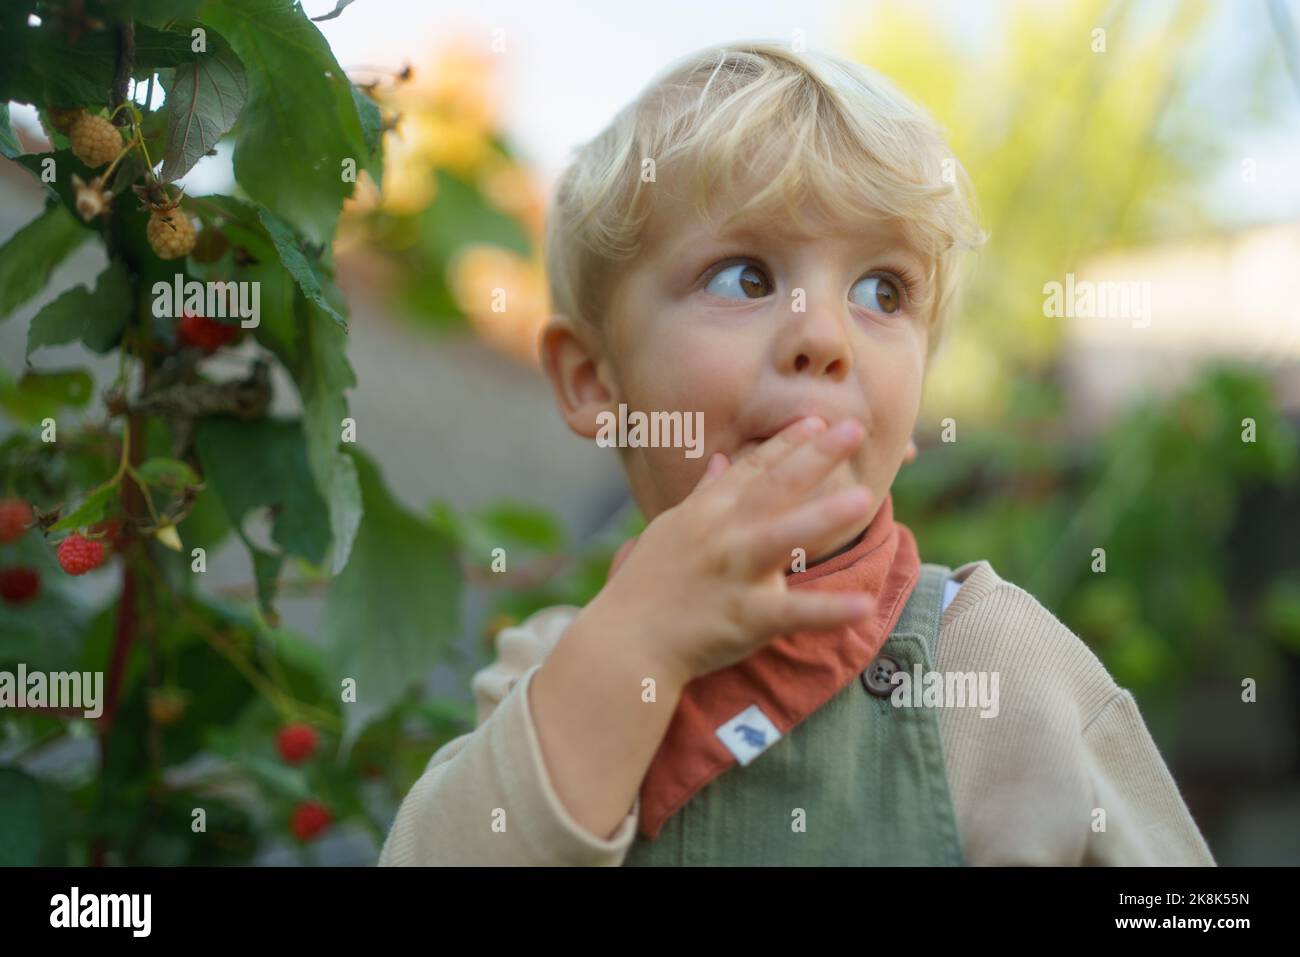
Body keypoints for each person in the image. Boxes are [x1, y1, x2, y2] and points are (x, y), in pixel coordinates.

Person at [379, 40, 1215, 866]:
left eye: (881, 291)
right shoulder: (554, 666)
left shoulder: (997, 658)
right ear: (597, 381)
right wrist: (635, 643)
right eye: (743, 277)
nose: (823, 333)